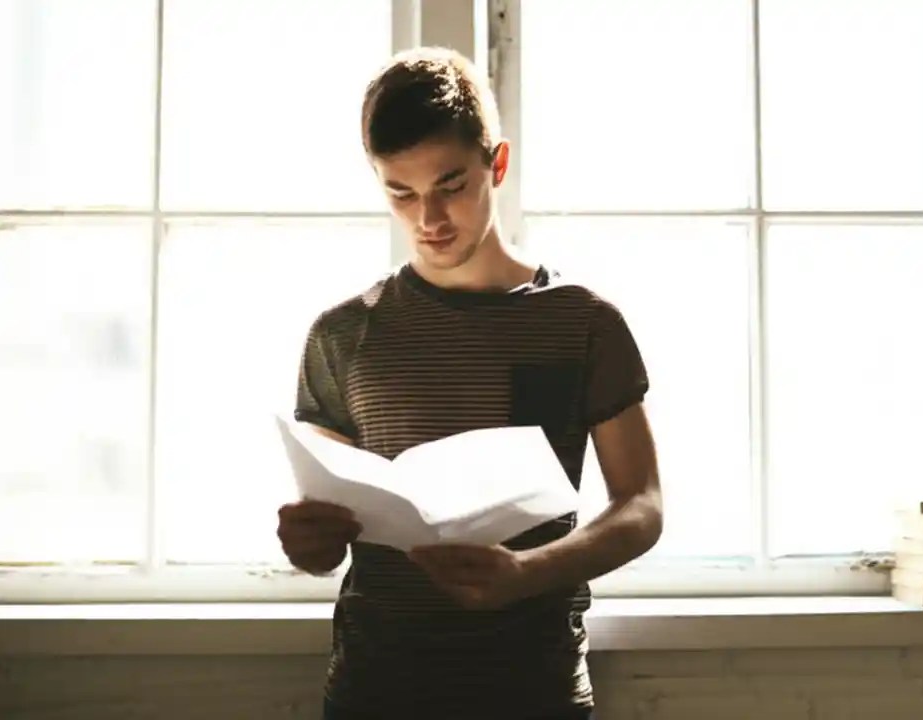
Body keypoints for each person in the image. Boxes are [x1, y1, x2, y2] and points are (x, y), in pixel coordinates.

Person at [274, 46, 663, 719]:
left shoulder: (582, 322)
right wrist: (308, 546)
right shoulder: (341, 336)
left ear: (497, 165)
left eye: (450, 185)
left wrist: (528, 574)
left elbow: (642, 505)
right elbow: (326, 535)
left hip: (532, 692)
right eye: (401, 192)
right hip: (376, 691)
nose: (428, 219)